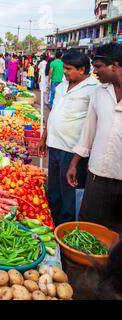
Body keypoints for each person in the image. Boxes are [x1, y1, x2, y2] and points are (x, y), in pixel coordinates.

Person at [38, 50, 99, 226]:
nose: (64, 71)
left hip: (72, 149)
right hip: (54, 145)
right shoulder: (62, 86)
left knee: (69, 192)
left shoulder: (93, 89)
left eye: (69, 68)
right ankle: (54, 223)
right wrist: (44, 138)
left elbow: (92, 125)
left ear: (81, 70)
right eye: (64, 68)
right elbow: (54, 112)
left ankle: (66, 227)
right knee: (54, 190)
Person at [67, 43, 122, 234]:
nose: (95, 71)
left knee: (116, 231)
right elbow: (88, 132)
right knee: (89, 226)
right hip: (98, 173)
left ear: (115, 65)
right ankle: (87, 264)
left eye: (98, 66)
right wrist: (74, 163)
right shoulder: (99, 93)